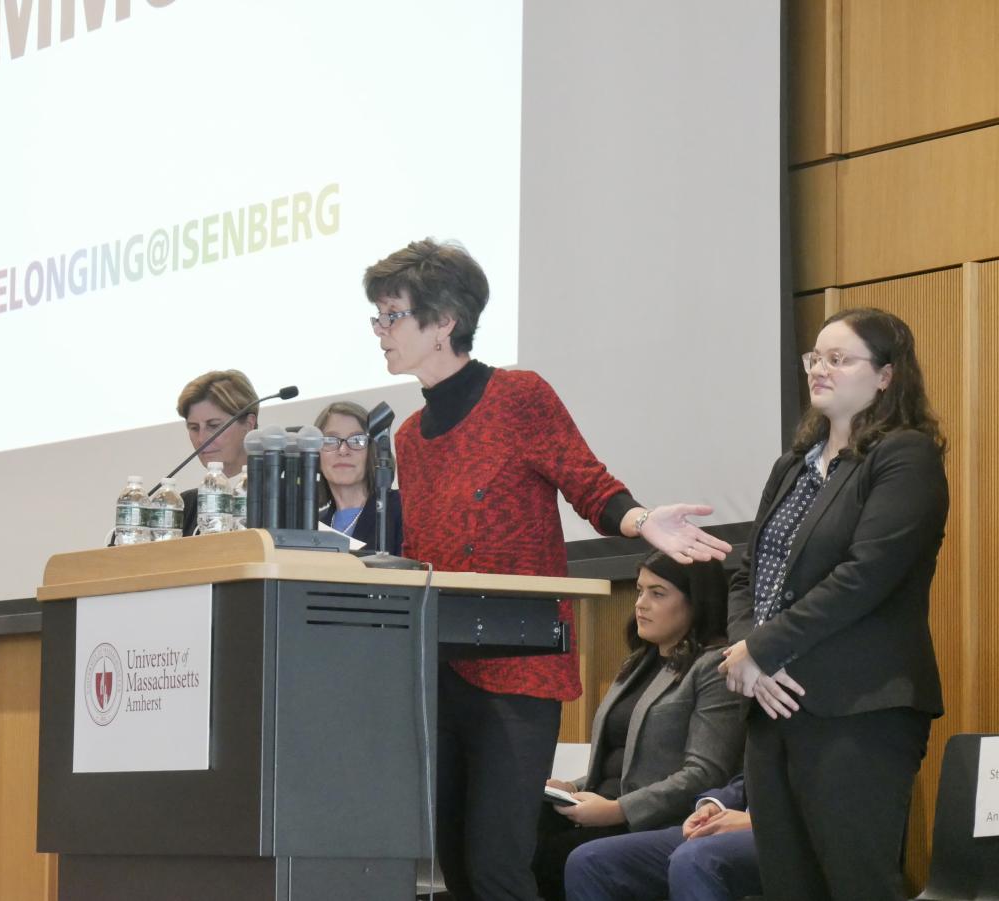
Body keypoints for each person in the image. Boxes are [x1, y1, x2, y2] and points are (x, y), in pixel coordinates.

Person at [362, 238, 733, 901]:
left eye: (392, 315)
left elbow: (588, 483)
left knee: (501, 867)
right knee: (458, 868)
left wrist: (641, 517)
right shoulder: (408, 438)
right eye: (378, 317)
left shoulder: (519, 396)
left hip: (518, 670)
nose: (381, 331)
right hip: (438, 670)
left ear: (445, 320)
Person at [719, 307, 948, 901]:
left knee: (856, 885)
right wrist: (748, 653)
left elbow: (864, 576)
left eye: (838, 359)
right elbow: (749, 574)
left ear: (885, 376)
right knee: (787, 887)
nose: (819, 369)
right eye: (815, 358)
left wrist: (762, 649)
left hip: (858, 709)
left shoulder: (905, 456)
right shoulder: (791, 466)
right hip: (773, 711)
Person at [533, 552, 744, 901]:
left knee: (557, 854)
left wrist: (617, 809)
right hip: (605, 808)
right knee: (518, 832)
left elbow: (706, 773)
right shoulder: (640, 662)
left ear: (696, 602)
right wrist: (571, 786)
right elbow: (621, 761)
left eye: (657, 593)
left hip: (657, 820)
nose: (641, 604)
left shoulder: (712, 669)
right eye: (639, 591)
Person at [563, 775, 760, 901]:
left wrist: (759, 822)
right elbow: (753, 774)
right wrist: (715, 804)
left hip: (782, 831)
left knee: (693, 858)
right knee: (589, 860)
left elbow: (703, 770)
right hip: (740, 816)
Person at [174, 370, 259, 536]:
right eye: (194, 428)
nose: (201, 439)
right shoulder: (186, 506)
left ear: (249, 424)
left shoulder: (277, 498)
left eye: (213, 426)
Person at [314, 401, 403, 555]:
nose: (343, 450)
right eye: (330, 440)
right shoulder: (313, 526)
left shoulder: (401, 508)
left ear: (373, 449)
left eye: (357, 440)